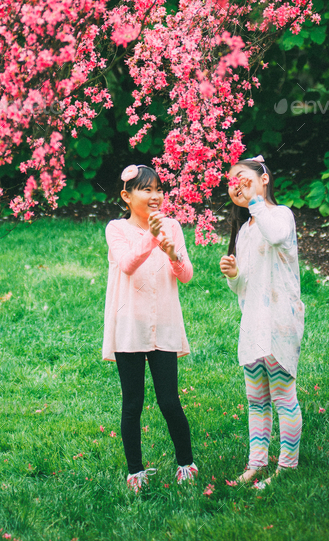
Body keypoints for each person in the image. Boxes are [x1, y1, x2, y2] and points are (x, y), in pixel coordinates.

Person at [103, 163, 197, 492]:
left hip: (164, 325)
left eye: (158, 188)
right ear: (127, 197)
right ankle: (135, 471)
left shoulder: (172, 225)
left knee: (170, 400)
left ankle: (186, 463)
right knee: (133, 403)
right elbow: (128, 264)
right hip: (130, 326)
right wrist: (152, 236)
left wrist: (172, 252)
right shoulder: (116, 229)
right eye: (147, 189)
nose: (155, 195)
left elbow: (185, 275)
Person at [220, 154, 304, 488]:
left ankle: (287, 467)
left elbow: (275, 236)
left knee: (283, 397)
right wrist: (234, 275)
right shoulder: (244, 231)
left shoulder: (280, 216)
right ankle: (256, 463)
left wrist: (254, 202)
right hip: (253, 322)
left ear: (264, 179)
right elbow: (243, 287)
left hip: (280, 320)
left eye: (242, 177)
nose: (235, 185)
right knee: (256, 400)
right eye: (231, 181)